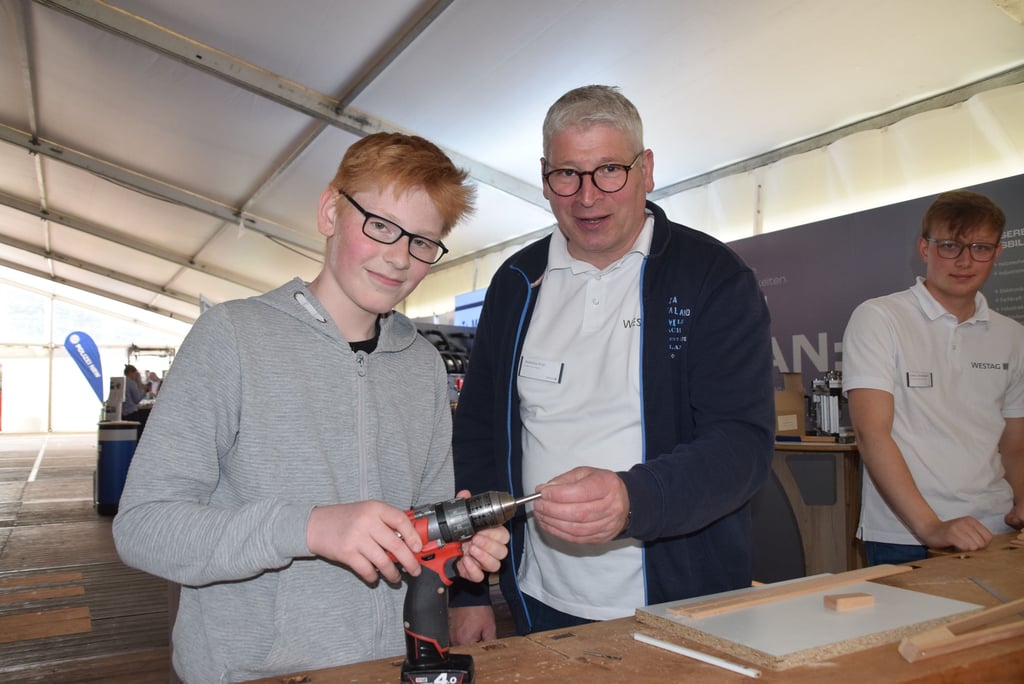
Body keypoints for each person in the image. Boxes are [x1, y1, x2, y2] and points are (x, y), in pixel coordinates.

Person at [112, 132, 509, 683]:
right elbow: (143, 528)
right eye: (381, 226)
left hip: (385, 668)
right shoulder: (231, 338)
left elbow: (420, 527)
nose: (399, 257)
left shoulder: (421, 365)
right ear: (329, 212)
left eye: (423, 241)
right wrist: (308, 528)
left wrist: (454, 546)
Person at [449, 85, 775, 643]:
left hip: (684, 603)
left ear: (646, 170)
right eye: (567, 174)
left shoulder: (712, 277)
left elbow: (742, 444)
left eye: (609, 171)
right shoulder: (516, 284)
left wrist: (633, 499)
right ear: (544, 177)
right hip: (539, 599)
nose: (587, 196)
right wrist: (469, 591)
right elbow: (478, 436)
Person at [842, 189, 1024, 566]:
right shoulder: (880, 318)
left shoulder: (1013, 336)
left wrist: (1021, 500)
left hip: (996, 528)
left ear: (997, 253)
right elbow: (871, 433)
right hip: (906, 535)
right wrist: (931, 527)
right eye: (950, 246)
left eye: (980, 248)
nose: (965, 261)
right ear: (925, 248)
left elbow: (1014, 444)